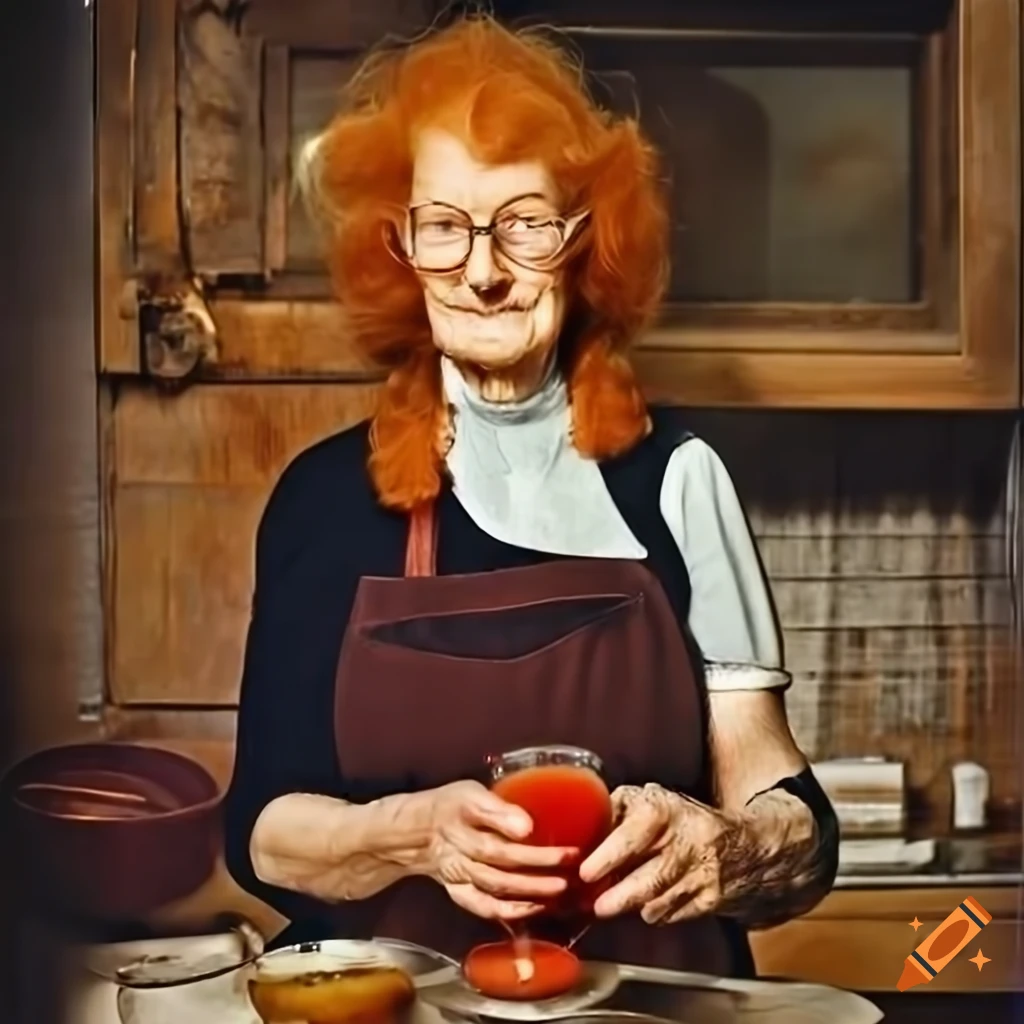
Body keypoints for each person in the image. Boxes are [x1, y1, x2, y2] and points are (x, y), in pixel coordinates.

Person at [223, 14, 838, 977]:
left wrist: (739, 851)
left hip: (652, 1005)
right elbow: (261, 833)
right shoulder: (322, 502)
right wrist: (410, 833)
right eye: (444, 227)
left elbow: (789, 818)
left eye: (525, 224)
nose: (482, 270)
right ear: (400, 250)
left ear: (587, 241)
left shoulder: (679, 479)